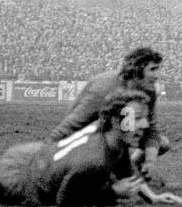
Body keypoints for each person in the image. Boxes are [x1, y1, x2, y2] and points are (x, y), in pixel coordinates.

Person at [0, 89, 182, 206]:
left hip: (33, 156)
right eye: (137, 117)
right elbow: (65, 199)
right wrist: (114, 192)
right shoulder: (94, 161)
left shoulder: (110, 133)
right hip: (19, 180)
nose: (145, 124)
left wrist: (152, 196)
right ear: (118, 120)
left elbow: (123, 163)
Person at [50, 47, 169, 188]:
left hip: (116, 131)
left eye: (158, 69)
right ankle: (109, 170)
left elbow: (152, 130)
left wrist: (150, 163)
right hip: (92, 134)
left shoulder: (149, 89)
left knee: (162, 143)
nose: (157, 75)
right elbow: (70, 127)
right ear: (137, 70)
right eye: (153, 69)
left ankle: (130, 167)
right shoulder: (103, 88)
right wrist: (43, 160)